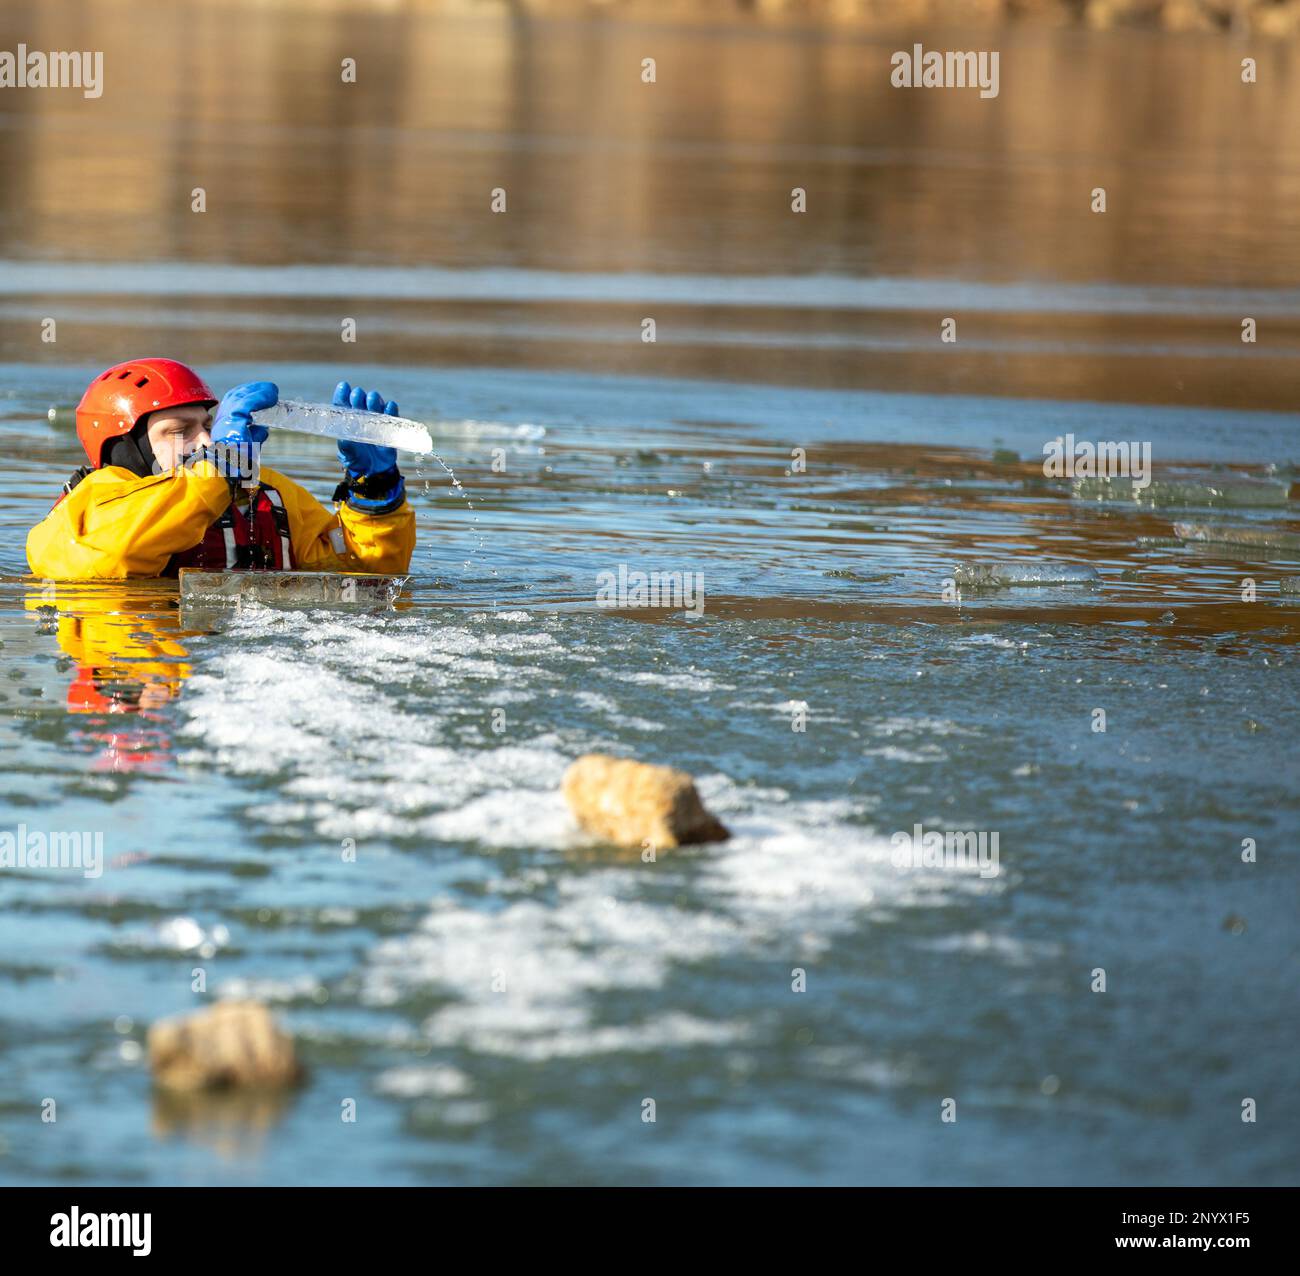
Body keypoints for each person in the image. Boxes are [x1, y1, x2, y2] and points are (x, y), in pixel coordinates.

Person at [26, 357, 415, 580]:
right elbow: (120, 552)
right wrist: (225, 464)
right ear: (127, 450)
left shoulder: (266, 493)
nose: (207, 444)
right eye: (180, 431)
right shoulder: (89, 505)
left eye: (210, 427)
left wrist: (374, 492)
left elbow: (366, 576)